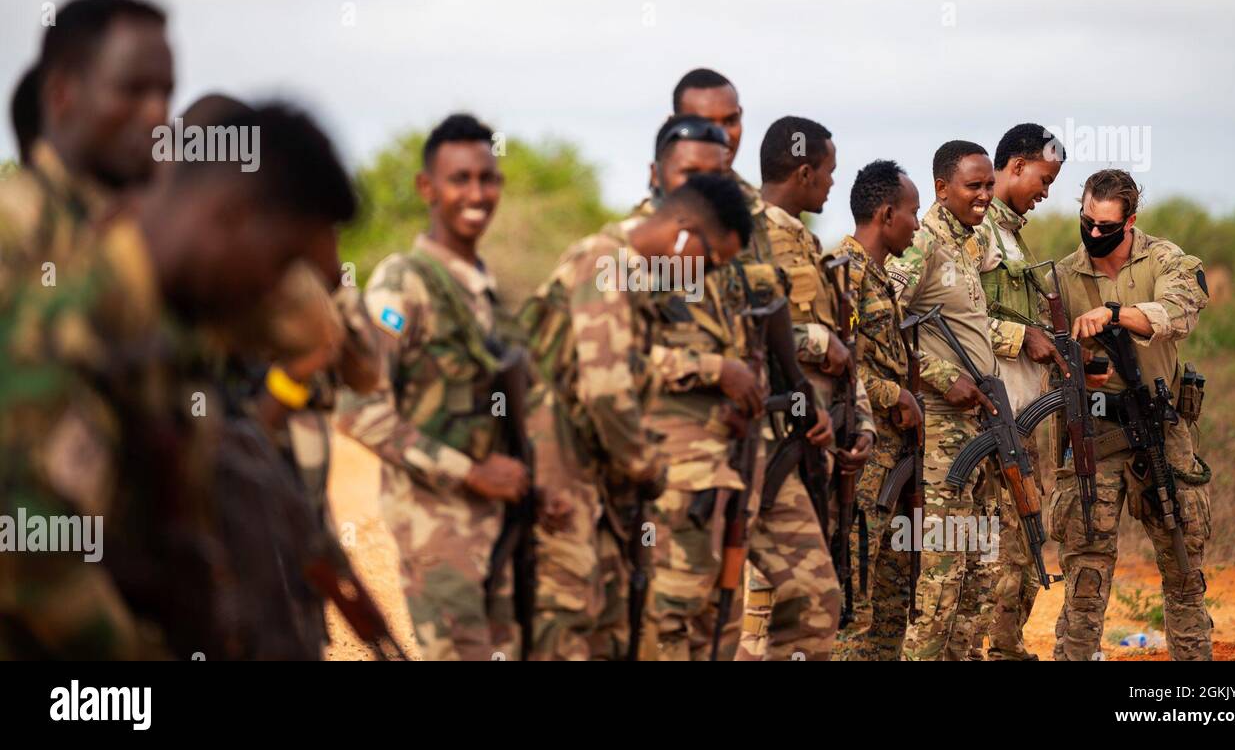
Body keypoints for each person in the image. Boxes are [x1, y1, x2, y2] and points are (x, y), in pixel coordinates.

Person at [0, 101, 357, 659]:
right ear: (233, 215)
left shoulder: (171, 338)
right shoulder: (77, 330)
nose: (273, 290)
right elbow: (32, 552)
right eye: (280, 259)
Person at [524, 173, 753, 660]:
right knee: (566, 629)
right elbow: (607, 393)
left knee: (613, 628)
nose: (708, 274)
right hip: (559, 473)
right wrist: (647, 469)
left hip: (592, 476)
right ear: (684, 229)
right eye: (710, 259)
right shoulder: (607, 262)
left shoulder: (635, 276)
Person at [335, 113, 533, 660]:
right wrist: (472, 473)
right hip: (437, 532)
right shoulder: (404, 284)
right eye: (459, 179)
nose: (476, 193)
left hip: (502, 531)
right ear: (428, 188)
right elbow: (356, 410)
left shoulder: (483, 291)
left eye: (487, 178)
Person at [1050, 168, 1212, 661]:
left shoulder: (1166, 260)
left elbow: (1179, 312)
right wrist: (1077, 372)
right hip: (1095, 432)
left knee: (1184, 568)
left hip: (1160, 428)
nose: (1094, 234)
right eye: (1087, 222)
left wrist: (1116, 313)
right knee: (1085, 574)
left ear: (1131, 221)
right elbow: (1043, 353)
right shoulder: (1060, 277)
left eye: (1106, 227)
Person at [736, 116, 875, 661]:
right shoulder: (747, 236)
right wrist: (818, 341)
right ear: (802, 171)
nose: (833, 185)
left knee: (810, 600)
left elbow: (846, 344)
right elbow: (739, 328)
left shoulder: (809, 243)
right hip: (769, 439)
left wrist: (859, 421)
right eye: (828, 173)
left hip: (818, 438)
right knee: (763, 604)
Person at [886, 140, 1023, 660]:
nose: (985, 194)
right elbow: (881, 323)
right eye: (974, 185)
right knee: (942, 578)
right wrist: (943, 377)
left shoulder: (968, 245)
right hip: (943, 431)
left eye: (990, 185)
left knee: (979, 575)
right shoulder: (922, 244)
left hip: (982, 427)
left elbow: (969, 327)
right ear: (942, 188)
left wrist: (1015, 340)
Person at [0, 0, 173, 296]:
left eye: (165, 93)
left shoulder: (145, 232)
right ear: (60, 94)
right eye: (133, 89)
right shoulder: (12, 223)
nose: (157, 114)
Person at [975, 122, 1070, 659]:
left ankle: (1007, 646)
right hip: (991, 417)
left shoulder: (1010, 234)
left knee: (1027, 537)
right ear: (1016, 164)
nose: (1045, 191)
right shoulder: (976, 231)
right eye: (1044, 178)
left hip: (1024, 414)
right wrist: (1019, 335)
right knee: (1003, 542)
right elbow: (949, 321)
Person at [833, 159, 923, 660]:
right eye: (912, 212)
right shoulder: (845, 273)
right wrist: (893, 396)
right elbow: (830, 368)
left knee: (892, 602)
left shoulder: (880, 276)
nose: (917, 222)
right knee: (856, 602)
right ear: (886, 214)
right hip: (861, 466)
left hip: (893, 465)